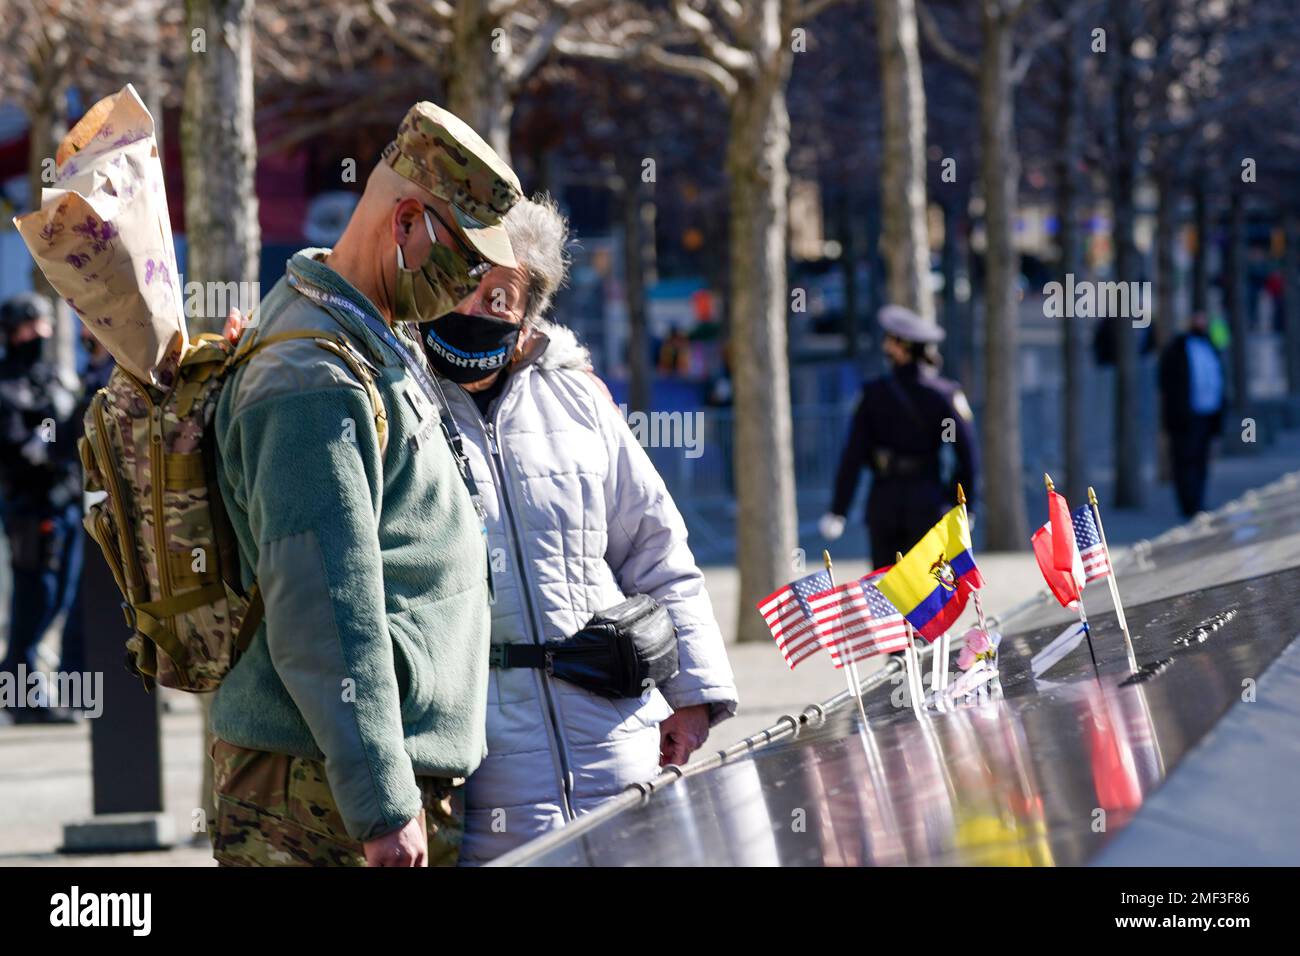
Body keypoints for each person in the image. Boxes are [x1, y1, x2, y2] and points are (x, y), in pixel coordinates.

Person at [206, 101, 521, 867]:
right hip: (321, 797)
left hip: (344, 781)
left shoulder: (357, 331)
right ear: (406, 222)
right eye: (467, 261)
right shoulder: (314, 376)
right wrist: (379, 802)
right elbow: (322, 604)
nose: (472, 284)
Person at [419, 195, 739, 864]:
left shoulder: (580, 397)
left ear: (529, 313)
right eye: (463, 288)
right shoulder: (397, 404)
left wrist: (695, 696)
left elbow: (655, 551)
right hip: (481, 770)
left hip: (621, 741)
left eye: (499, 297)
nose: (476, 310)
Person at [819, 305, 978, 570]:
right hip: (928, 501)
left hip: (885, 502)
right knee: (925, 591)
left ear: (900, 348)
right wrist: (963, 503)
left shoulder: (873, 395)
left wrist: (839, 510)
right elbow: (967, 456)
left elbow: (853, 457)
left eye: (889, 341)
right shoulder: (944, 395)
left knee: (886, 589)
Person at [0, 293, 83, 724]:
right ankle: (18, 694)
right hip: (30, 510)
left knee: (61, 597)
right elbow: (20, 446)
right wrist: (45, 441)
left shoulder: (55, 377)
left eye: (44, 325)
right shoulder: (7, 385)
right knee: (36, 600)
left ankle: (19, 685)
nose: (40, 334)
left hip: (67, 501)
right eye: (31, 326)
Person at [1157, 311, 1225, 517]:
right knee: (1185, 460)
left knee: (1201, 460)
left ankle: (1198, 501)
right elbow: (1167, 383)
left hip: (1207, 414)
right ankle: (1189, 505)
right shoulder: (1177, 349)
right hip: (1185, 417)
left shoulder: (1210, 345)